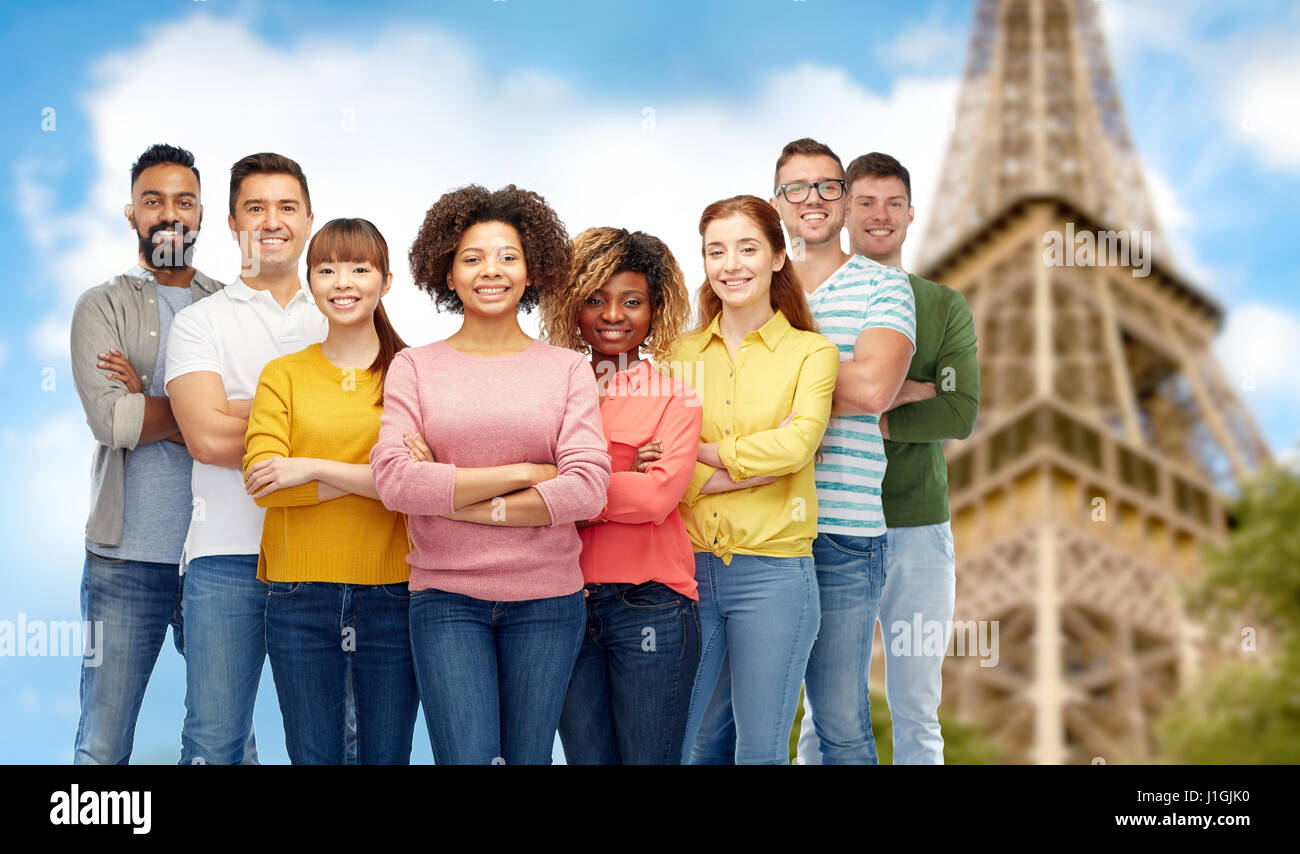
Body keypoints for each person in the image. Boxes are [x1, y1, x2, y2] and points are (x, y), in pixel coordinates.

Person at [371, 184, 611, 765]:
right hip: (446, 597)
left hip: (548, 600)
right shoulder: (415, 367)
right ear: (447, 275)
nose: (491, 271)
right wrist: (527, 472)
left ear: (531, 271)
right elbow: (396, 481)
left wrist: (450, 496)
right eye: (472, 258)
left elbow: (586, 487)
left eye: (508, 256)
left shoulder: (567, 369)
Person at [799, 152, 979, 764]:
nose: (880, 215)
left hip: (915, 526)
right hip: (830, 522)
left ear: (910, 213)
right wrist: (908, 390)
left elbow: (958, 412)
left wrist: (866, 397)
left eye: (893, 203)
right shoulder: (802, 298)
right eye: (865, 202)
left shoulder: (942, 304)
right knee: (824, 710)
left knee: (917, 709)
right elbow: (780, 400)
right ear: (843, 211)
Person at [166, 152, 327, 765]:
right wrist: (313, 430)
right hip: (224, 559)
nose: (272, 220)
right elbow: (204, 438)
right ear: (233, 223)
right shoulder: (199, 323)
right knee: (214, 743)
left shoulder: (342, 316)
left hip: (324, 557)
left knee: (332, 743)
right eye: (254, 208)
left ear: (309, 218)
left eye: (286, 207)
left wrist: (244, 408)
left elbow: (375, 438)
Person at [670, 195, 839, 765]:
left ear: (776, 257)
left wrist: (704, 453)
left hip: (774, 576)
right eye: (716, 251)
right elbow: (654, 462)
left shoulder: (812, 354)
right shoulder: (677, 354)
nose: (730, 264)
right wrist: (740, 467)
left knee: (759, 751)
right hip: (686, 572)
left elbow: (797, 447)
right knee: (688, 746)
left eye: (747, 248)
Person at [242, 218, 418, 764]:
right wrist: (379, 478)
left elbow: (420, 487)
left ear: (386, 281)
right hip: (298, 593)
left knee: (385, 756)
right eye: (327, 269)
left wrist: (312, 467)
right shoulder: (283, 375)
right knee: (314, 756)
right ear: (311, 281)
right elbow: (265, 484)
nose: (343, 282)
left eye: (360, 268)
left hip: (395, 591)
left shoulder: (414, 373)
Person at [70, 143, 224, 764]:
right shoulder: (100, 306)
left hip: (219, 561)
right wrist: (199, 415)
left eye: (183, 201)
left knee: (227, 745)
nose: (170, 213)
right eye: (153, 200)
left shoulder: (232, 307)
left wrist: (149, 399)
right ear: (131, 213)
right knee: (102, 746)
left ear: (202, 214)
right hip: (124, 560)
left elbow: (261, 424)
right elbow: (114, 421)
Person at [539, 227, 703, 765]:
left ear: (656, 309)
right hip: (562, 605)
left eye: (632, 301)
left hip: (651, 602)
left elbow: (657, 499)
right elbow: (523, 491)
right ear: (573, 307)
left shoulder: (677, 397)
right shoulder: (550, 393)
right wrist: (620, 469)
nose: (613, 314)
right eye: (595, 299)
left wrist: (571, 485)